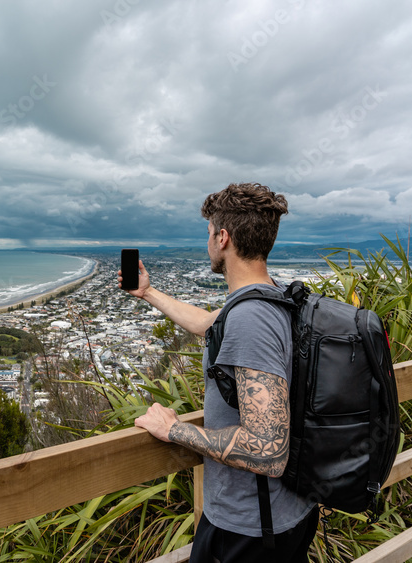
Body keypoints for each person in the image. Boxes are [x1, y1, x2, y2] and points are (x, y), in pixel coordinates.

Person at [118, 183, 318, 562]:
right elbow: (207, 324)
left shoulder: (250, 319)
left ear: (223, 237)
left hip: (251, 527)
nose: (208, 240)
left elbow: (269, 450)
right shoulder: (274, 298)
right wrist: (148, 293)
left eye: (209, 232)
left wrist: (173, 430)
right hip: (290, 510)